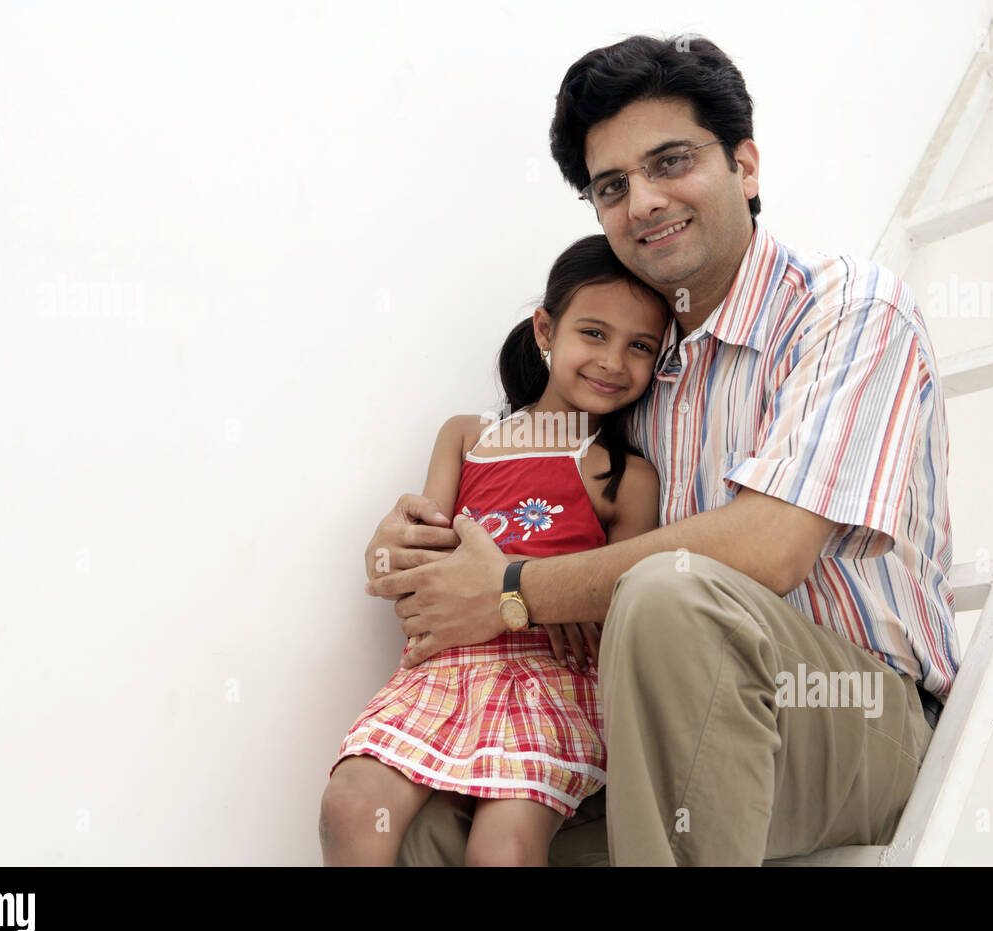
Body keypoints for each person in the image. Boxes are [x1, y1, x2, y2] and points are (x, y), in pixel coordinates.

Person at [365, 34, 959, 866]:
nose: (642, 201)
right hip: (659, 723)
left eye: (670, 161)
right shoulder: (631, 376)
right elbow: (529, 511)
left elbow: (769, 549)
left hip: (850, 714)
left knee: (668, 593)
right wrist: (417, 548)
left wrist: (505, 592)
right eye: (613, 187)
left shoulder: (851, 310)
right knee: (430, 831)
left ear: (745, 166)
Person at [321, 235, 668, 866]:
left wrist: (544, 598)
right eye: (594, 333)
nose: (614, 361)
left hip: (552, 681)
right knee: (351, 804)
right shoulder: (466, 437)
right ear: (546, 328)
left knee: (501, 848)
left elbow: (625, 600)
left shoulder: (626, 476)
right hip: (441, 669)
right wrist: (396, 558)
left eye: (640, 346)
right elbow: (422, 560)